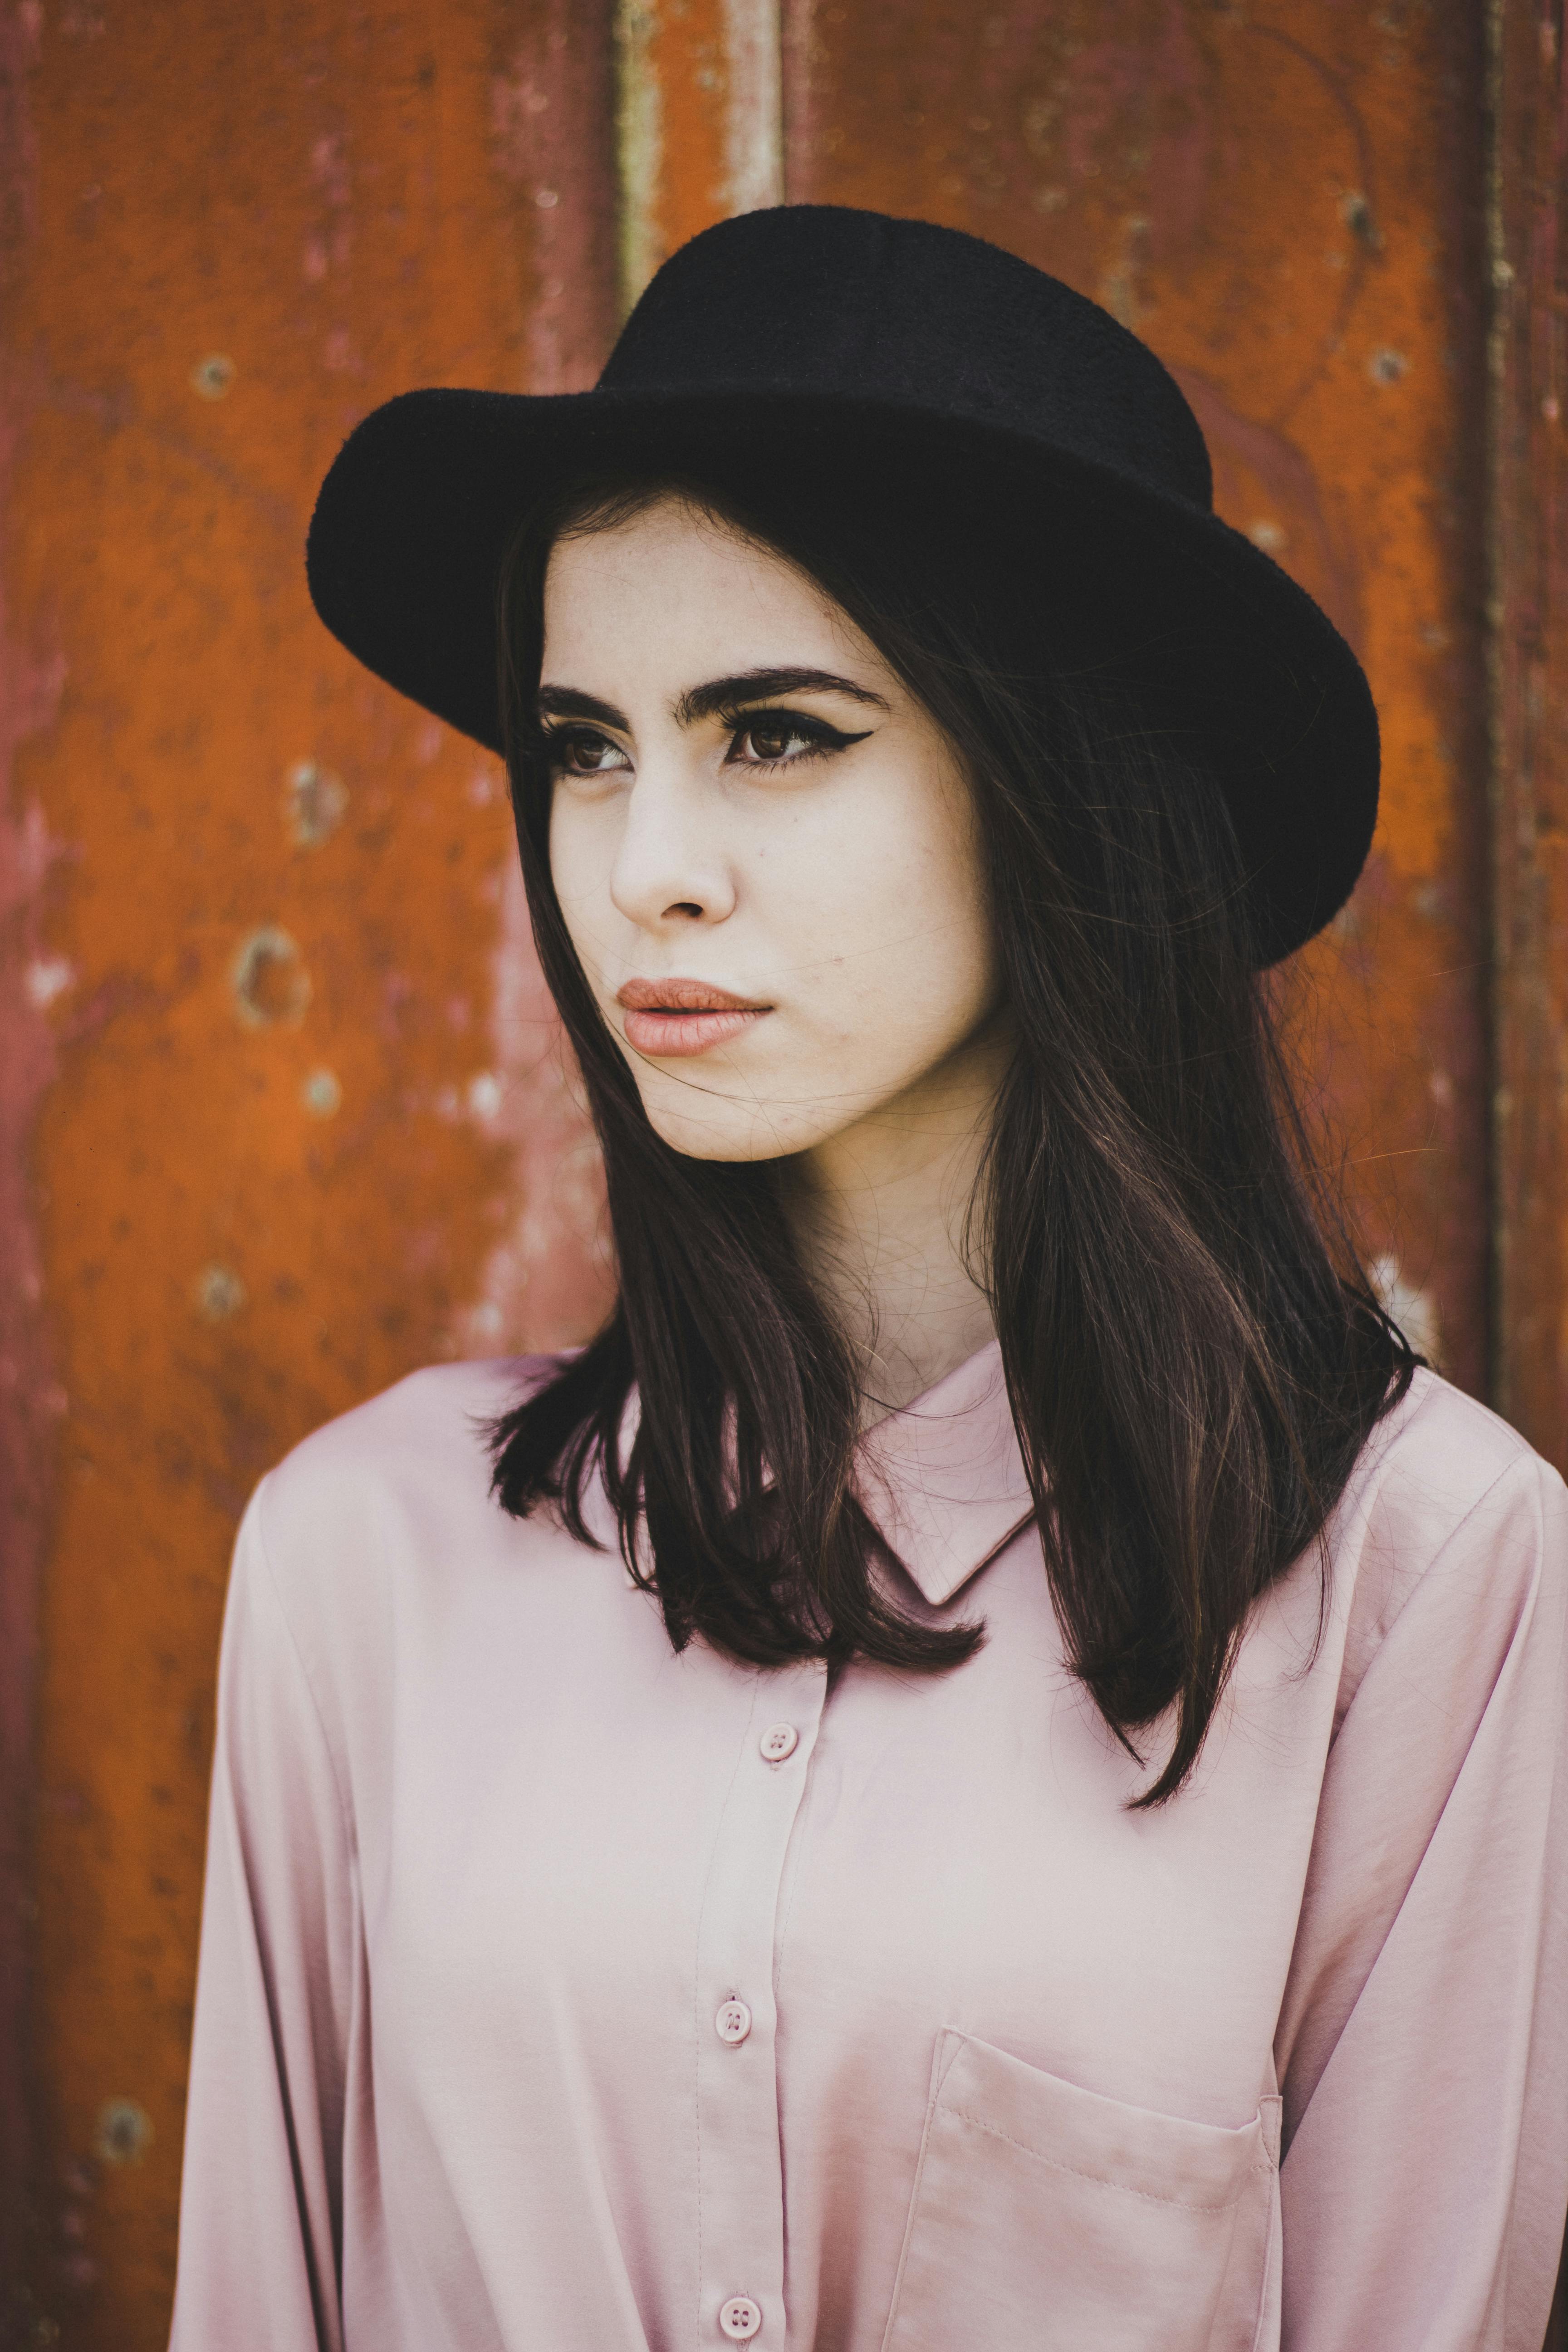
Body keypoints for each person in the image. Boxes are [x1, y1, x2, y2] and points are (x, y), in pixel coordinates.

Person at [168, 208, 1568, 2352]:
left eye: (779, 732)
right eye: (583, 745)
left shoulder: (1428, 1572)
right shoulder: (366, 1561)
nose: (645, 867)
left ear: (1058, 794)